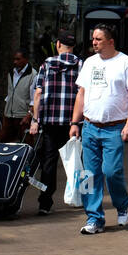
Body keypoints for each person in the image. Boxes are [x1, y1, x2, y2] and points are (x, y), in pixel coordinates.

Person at [69, 24, 128, 234]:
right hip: (90, 127)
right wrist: (75, 123)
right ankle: (94, 218)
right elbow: (81, 93)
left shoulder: (125, 63)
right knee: (88, 175)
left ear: (111, 42)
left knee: (111, 172)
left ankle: (122, 205)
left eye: (99, 39)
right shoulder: (89, 63)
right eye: (93, 38)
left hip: (114, 128)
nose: (94, 42)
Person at [28, 32, 81, 216]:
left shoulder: (47, 65)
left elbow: (38, 93)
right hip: (73, 122)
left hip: (50, 122)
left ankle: (45, 203)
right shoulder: (81, 65)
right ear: (73, 46)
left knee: (49, 163)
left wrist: (35, 119)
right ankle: (79, 197)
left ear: (58, 44)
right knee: (75, 160)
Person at [1, 48, 36, 142]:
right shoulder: (11, 72)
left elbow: (34, 99)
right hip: (9, 114)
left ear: (26, 59)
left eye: (18, 59)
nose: (15, 62)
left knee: (26, 143)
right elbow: (10, 92)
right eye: (14, 59)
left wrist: (29, 115)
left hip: (23, 115)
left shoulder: (33, 75)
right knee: (3, 141)